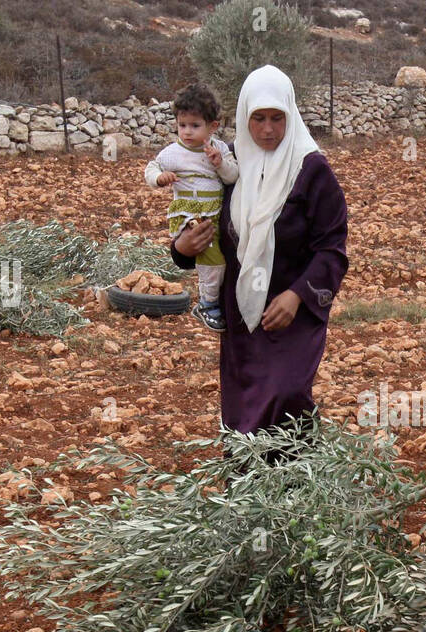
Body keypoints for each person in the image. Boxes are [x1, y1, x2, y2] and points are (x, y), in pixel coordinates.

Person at [170, 65, 348, 452]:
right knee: (244, 407)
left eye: (277, 118)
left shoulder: (311, 170)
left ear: (290, 114)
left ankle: (297, 491)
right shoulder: (227, 165)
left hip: (292, 315)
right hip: (240, 314)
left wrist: (298, 295)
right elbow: (197, 218)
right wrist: (182, 248)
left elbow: (332, 247)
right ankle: (249, 495)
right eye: (259, 119)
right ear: (244, 116)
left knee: (286, 395)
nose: (268, 129)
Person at [146, 83, 239, 332]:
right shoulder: (173, 153)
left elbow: (232, 176)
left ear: (213, 127)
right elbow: (152, 168)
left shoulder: (218, 149)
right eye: (182, 125)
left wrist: (220, 164)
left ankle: (212, 300)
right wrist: (159, 178)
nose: (187, 132)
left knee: (220, 260)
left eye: (195, 126)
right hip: (190, 216)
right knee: (214, 261)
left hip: (215, 215)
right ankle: (208, 303)